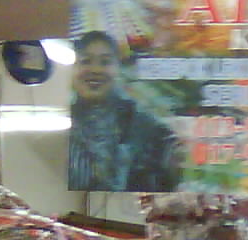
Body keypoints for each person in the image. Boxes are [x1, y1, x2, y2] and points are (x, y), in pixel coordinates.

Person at [69, 32, 181, 192]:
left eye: (105, 62)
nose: (95, 70)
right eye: (86, 61)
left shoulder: (144, 126)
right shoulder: (59, 121)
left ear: (118, 69)